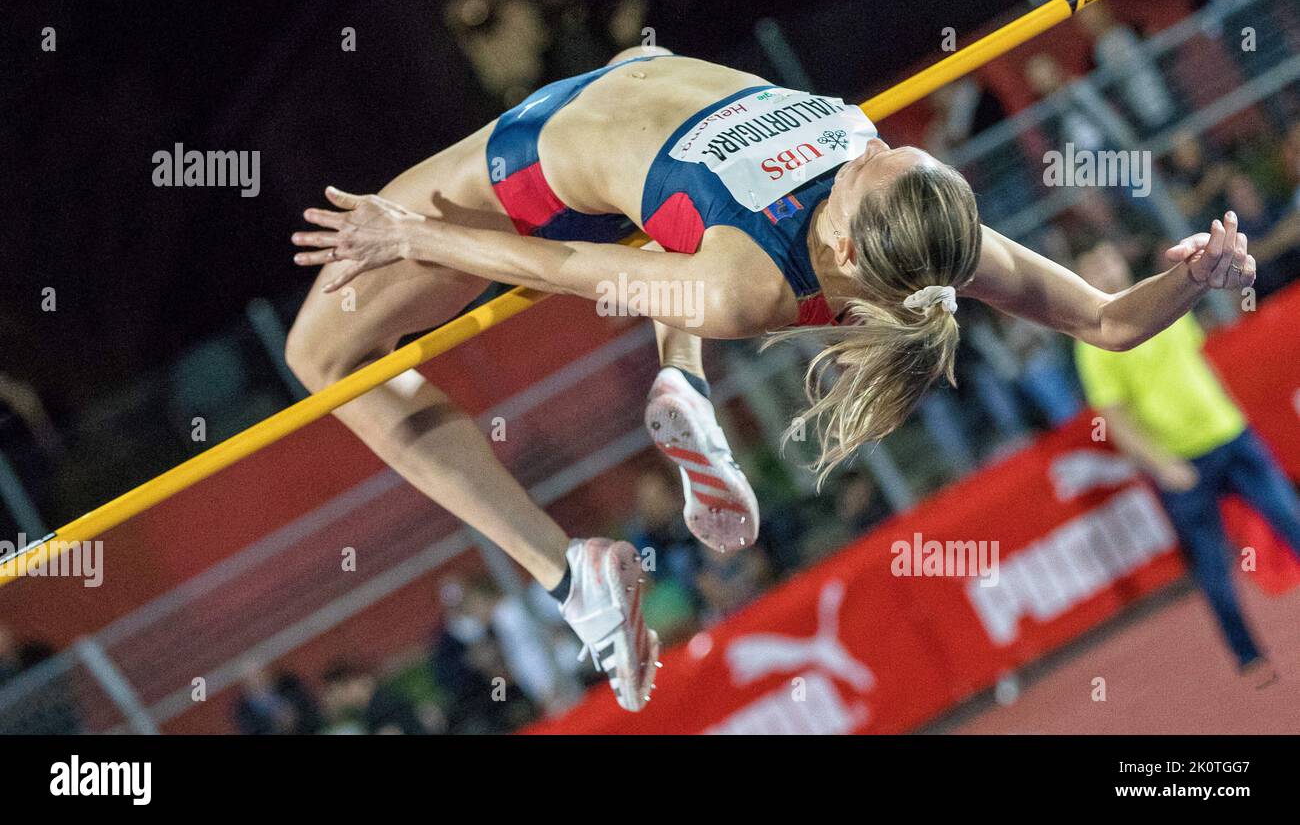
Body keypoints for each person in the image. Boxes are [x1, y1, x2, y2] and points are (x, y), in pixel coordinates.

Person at [287, 48, 1254, 711]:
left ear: (843, 234)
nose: (870, 144)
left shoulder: (747, 280)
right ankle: (684, 379)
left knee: (319, 362)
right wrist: (1198, 274)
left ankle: (566, 567)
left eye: (872, 165)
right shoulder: (934, 233)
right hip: (636, 123)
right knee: (669, 198)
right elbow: (1107, 317)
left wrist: (415, 237)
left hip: (534, 176)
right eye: (888, 145)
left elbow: (567, 273)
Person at [1073, 239, 1300, 686]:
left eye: (1106, 256)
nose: (1104, 267)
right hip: (1182, 466)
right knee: (1214, 568)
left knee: (1291, 520)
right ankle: (1249, 658)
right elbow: (1117, 421)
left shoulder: (1162, 299)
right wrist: (1164, 466)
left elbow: (1195, 358)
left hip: (1230, 434)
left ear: (1121, 257)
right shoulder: (1093, 342)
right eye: (1092, 265)